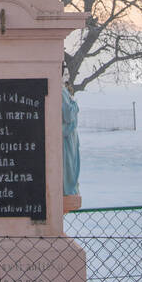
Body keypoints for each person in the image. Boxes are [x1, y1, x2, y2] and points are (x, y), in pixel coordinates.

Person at [61, 61, 80, 196]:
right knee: (68, 166)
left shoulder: (63, 90)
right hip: (66, 135)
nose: (67, 77)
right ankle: (68, 189)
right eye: (65, 73)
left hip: (70, 135)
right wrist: (74, 104)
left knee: (72, 164)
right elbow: (67, 115)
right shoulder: (61, 92)